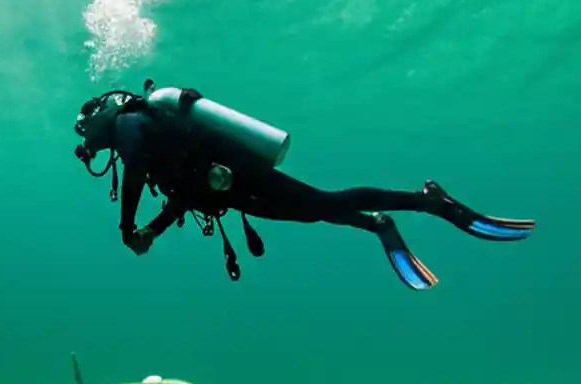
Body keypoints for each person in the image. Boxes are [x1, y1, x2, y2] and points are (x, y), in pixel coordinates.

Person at [72, 84, 536, 290]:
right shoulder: (148, 138)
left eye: (86, 127)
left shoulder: (130, 125)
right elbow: (185, 194)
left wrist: (127, 227)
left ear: (102, 115)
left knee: (321, 204)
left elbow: (135, 172)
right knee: (315, 210)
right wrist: (152, 230)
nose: (87, 139)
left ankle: (428, 202)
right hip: (231, 190)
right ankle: (376, 223)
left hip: (239, 178)